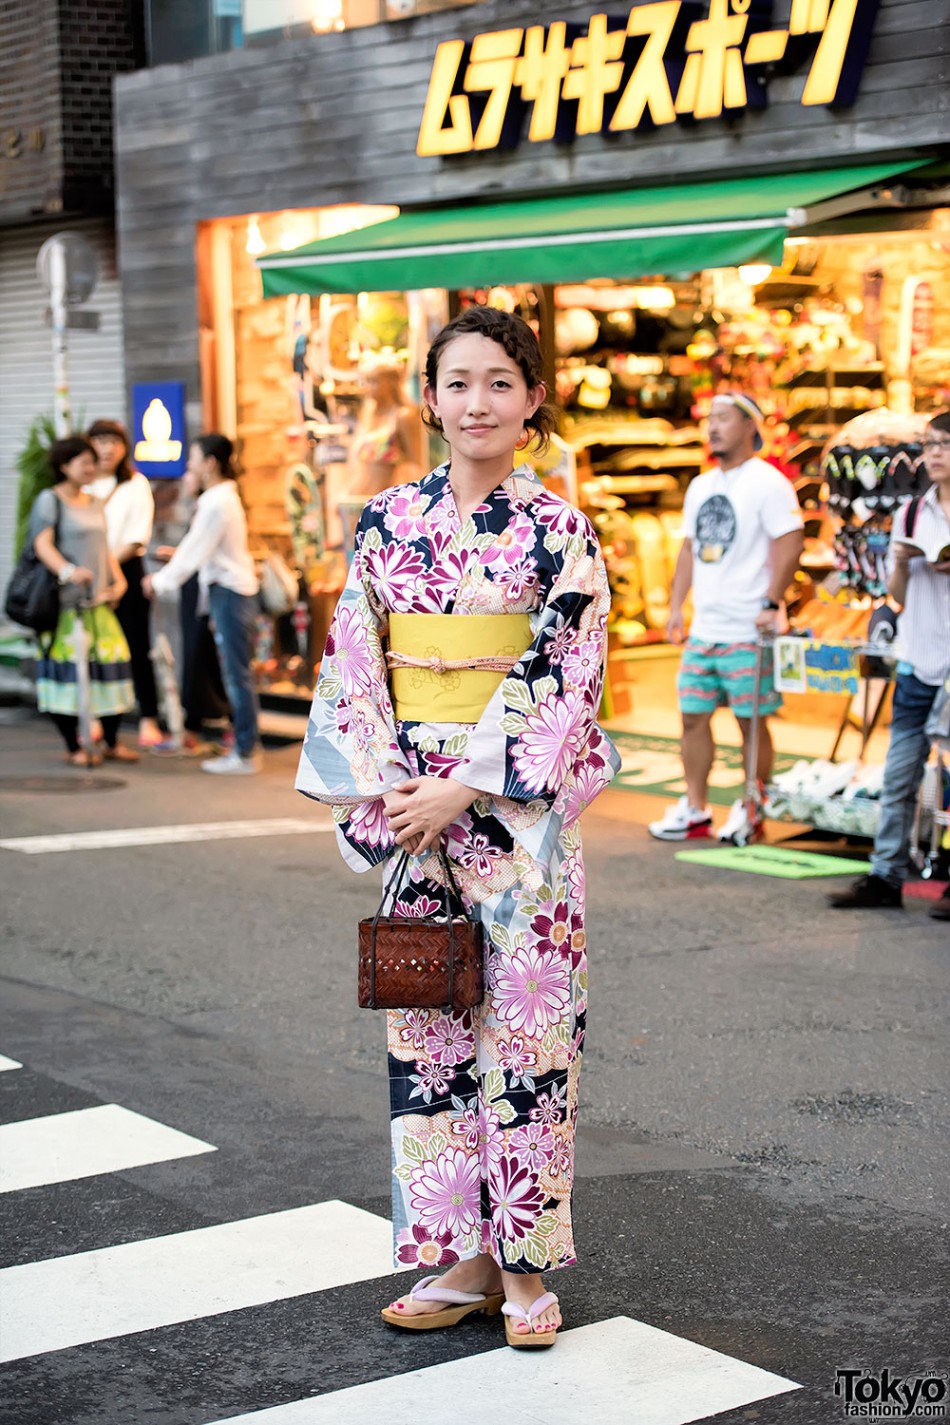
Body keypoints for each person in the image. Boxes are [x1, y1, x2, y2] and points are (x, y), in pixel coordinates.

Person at [296, 306, 619, 1347]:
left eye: (499, 382)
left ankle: (523, 1264)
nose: (477, 402)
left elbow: (567, 672)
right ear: (429, 400)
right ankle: (462, 1256)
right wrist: (396, 789)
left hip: (514, 823)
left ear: (532, 401)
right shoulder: (386, 519)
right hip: (411, 813)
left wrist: (467, 785)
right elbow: (355, 660)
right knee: (430, 1035)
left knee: (527, 1036)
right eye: (458, 383)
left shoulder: (559, 530)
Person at [649, 392, 804, 844]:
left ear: (750, 426)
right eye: (709, 419)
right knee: (692, 718)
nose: (713, 427)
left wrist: (771, 602)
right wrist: (676, 607)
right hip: (705, 628)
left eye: (723, 419)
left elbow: (791, 542)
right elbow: (689, 549)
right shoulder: (701, 485)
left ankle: (752, 808)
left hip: (747, 629)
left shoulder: (769, 482)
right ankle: (695, 808)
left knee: (751, 723)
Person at [829, 409, 950, 921]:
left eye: (944, 445)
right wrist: (900, 561)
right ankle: (885, 874)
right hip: (916, 659)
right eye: (930, 445)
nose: (934, 454)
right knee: (899, 774)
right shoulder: (911, 513)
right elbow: (895, 593)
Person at [143, 435, 262, 776]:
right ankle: (243, 748)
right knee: (236, 674)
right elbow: (196, 550)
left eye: (193, 458)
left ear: (210, 463)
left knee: (237, 675)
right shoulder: (221, 498)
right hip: (228, 593)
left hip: (230, 594)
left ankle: (245, 752)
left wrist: (160, 581)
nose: (189, 465)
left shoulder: (216, 502)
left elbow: (194, 551)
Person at [30, 437, 135, 767]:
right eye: (84, 462)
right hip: (65, 607)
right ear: (64, 466)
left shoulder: (95, 502)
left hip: (99, 603)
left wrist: (119, 580)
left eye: (93, 462)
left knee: (112, 668)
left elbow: (103, 547)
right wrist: (68, 571)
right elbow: (42, 545)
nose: (91, 468)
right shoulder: (50, 500)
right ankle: (73, 746)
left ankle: (111, 742)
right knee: (65, 676)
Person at [86, 418, 163, 748]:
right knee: (93, 649)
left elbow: (136, 537)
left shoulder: (136, 483)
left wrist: (108, 570)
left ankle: (149, 718)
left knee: (136, 647)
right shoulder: (83, 485)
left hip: (126, 571)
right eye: (100, 441)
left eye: (114, 442)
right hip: (88, 575)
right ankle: (95, 720)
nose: (107, 448)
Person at [348, 353, 425, 500]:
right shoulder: (368, 416)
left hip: (392, 502)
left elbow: (417, 463)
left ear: (391, 382)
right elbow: (359, 467)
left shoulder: (403, 416)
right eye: (366, 381)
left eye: (374, 381)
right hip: (362, 499)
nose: (368, 387)